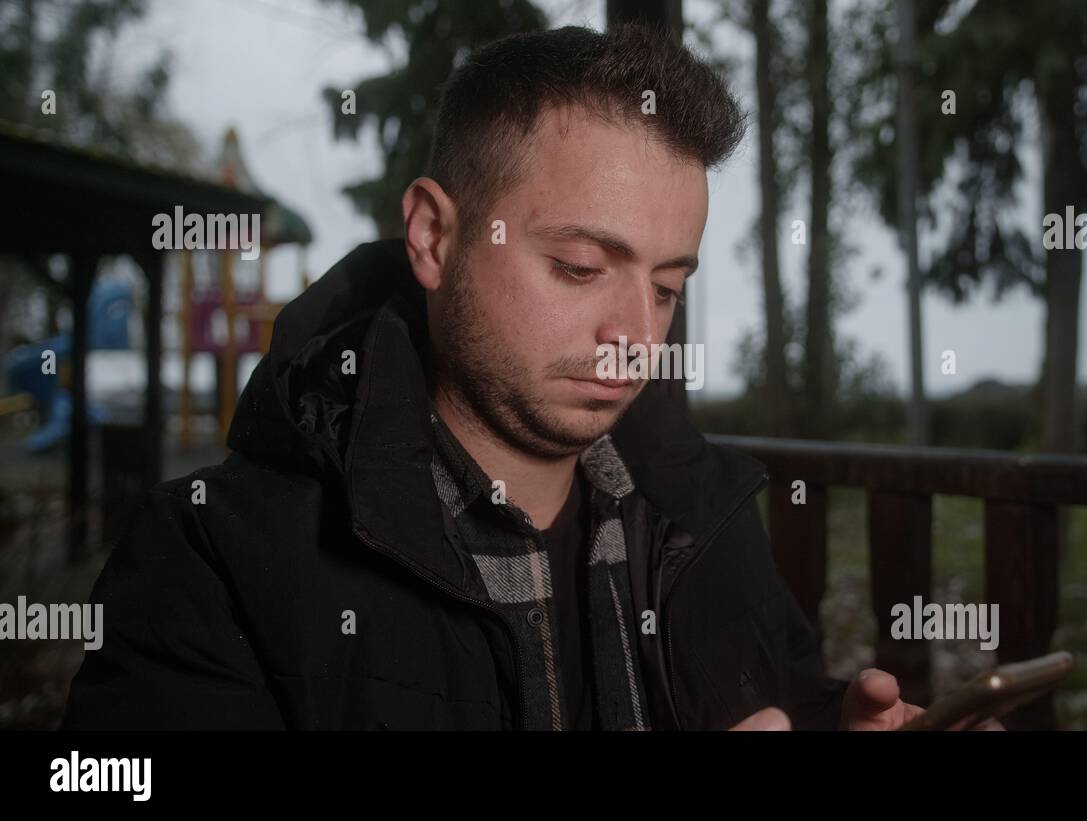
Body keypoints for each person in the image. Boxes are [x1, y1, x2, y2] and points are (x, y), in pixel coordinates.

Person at [62, 23, 924, 731]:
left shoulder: (705, 514)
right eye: (582, 266)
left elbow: (779, 701)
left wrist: (833, 720)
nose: (635, 336)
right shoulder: (210, 563)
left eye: (666, 288)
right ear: (434, 236)